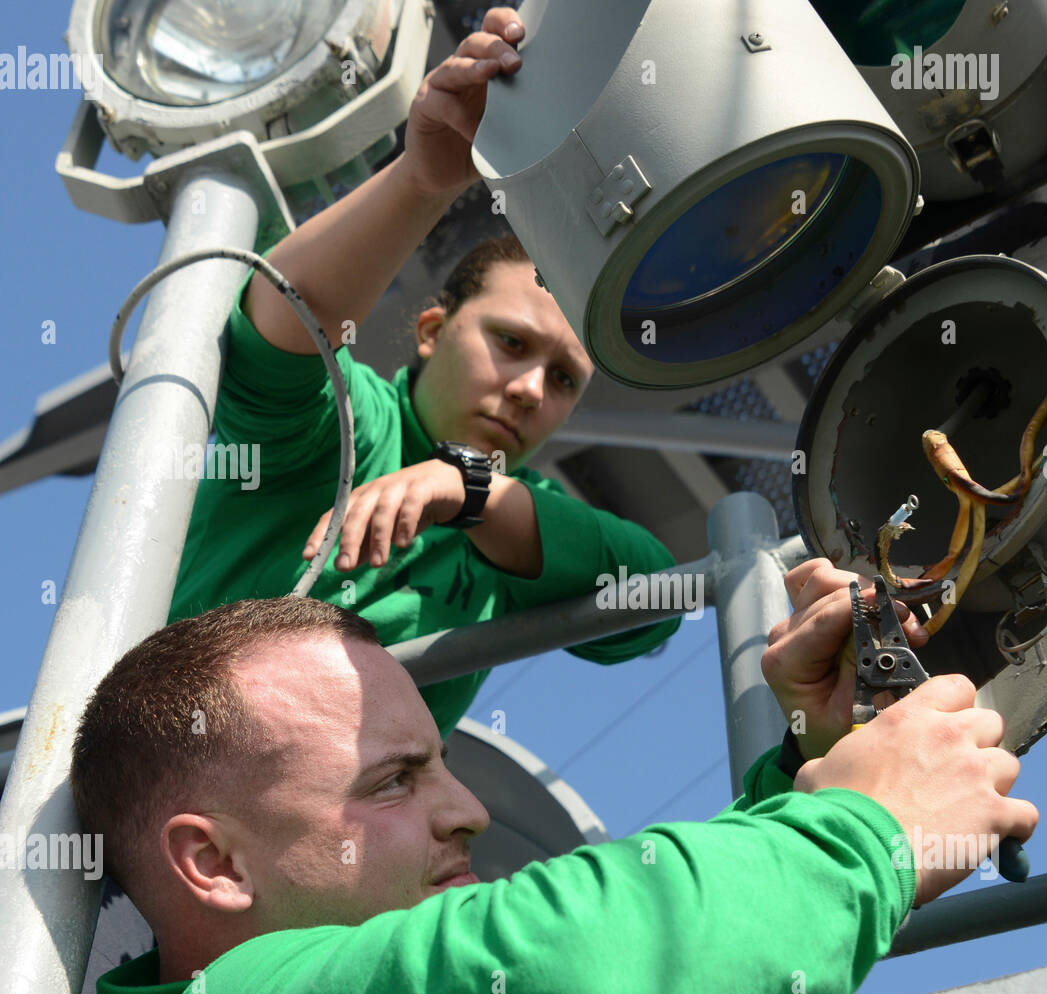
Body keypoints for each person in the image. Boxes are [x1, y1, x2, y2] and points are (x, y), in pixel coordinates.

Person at [75, 560, 1038, 994]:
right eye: (395, 782)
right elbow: (579, 975)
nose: (470, 811)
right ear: (213, 863)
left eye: (443, 763)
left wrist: (804, 762)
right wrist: (863, 827)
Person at [168, 8, 679, 736]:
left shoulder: (521, 525)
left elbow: (656, 597)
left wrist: (466, 491)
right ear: (434, 330)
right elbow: (281, 324)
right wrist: (422, 179)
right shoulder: (346, 425)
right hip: (170, 779)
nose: (532, 389)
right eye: (510, 342)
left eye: (565, 379)